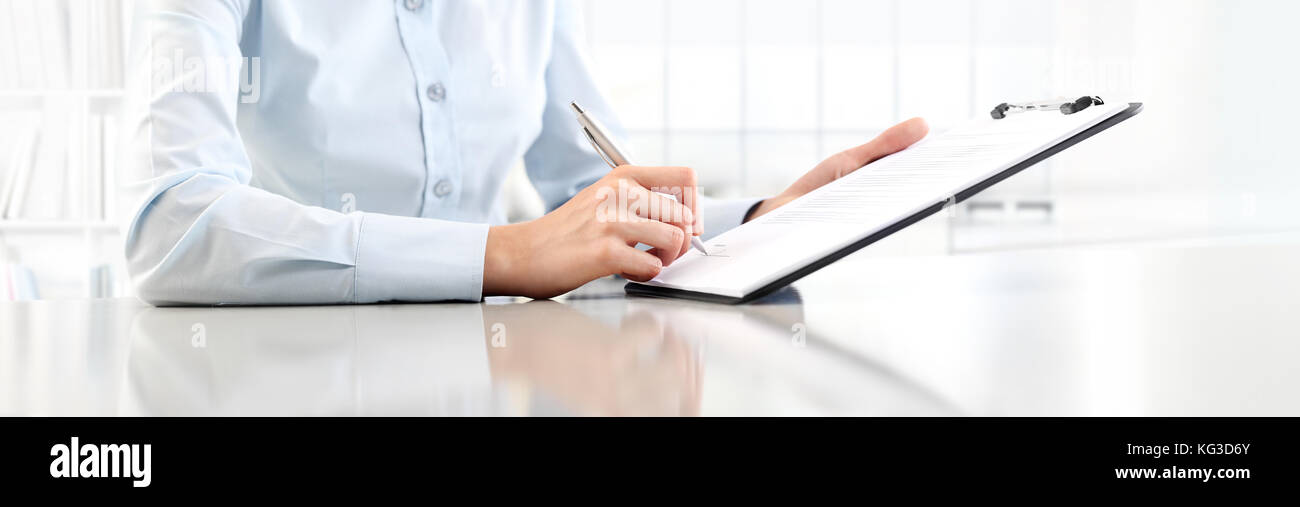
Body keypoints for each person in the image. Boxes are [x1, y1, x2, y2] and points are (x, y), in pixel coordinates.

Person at [122, 0, 927, 305]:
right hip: (284, 375)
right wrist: (501, 254)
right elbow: (171, 223)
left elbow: (586, 197)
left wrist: (761, 219)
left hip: (487, 379)